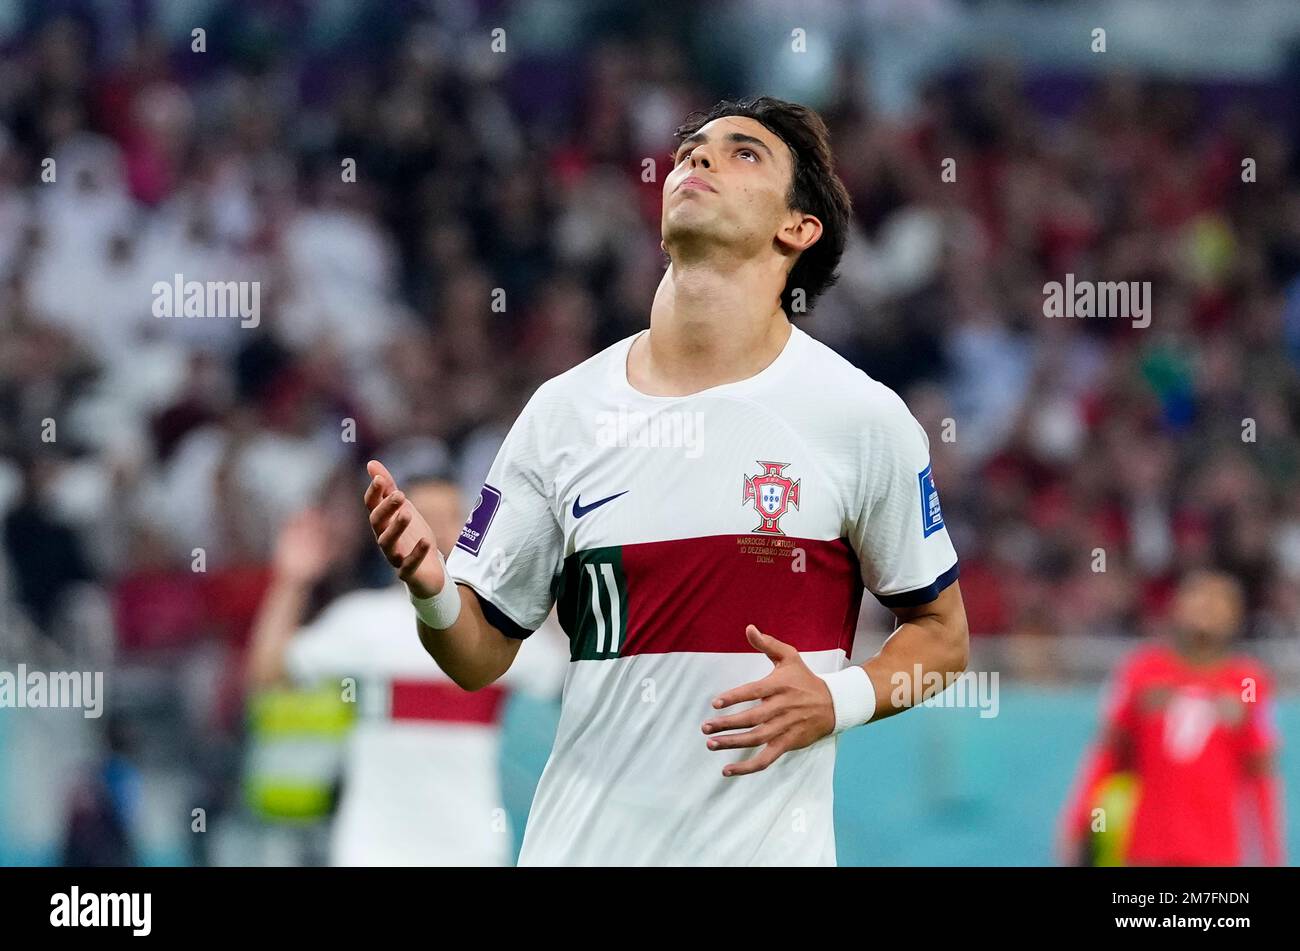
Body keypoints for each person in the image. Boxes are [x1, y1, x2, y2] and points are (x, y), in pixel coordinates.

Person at [364, 96, 969, 865]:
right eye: (690, 150)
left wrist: (837, 698)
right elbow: (478, 655)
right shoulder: (563, 413)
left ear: (798, 227)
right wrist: (431, 589)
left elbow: (944, 642)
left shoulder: (860, 418)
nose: (698, 159)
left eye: (743, 152)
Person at [248, 441, 567, 865]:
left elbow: (575, 678)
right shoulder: (363, 622)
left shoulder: (503, 631)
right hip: (373, 851)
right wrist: (291, 580)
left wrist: (546, 568)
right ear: (392, 526)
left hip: (471, 853)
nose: (436, 534)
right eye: (424, 518)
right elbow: (267, 673)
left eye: (450, 519)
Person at [1060, 570, 1285, 866]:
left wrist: (1272, 854)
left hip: (1216, 855)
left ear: (1236, 616)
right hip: (1147, 850)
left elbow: (1262, 774)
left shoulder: (1248, 683)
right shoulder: (1142, 671)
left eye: (1219, 601)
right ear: (1176, 606)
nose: (1207, 606)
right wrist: (1077, 823)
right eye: (1198, 597)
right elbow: (1109, 755)